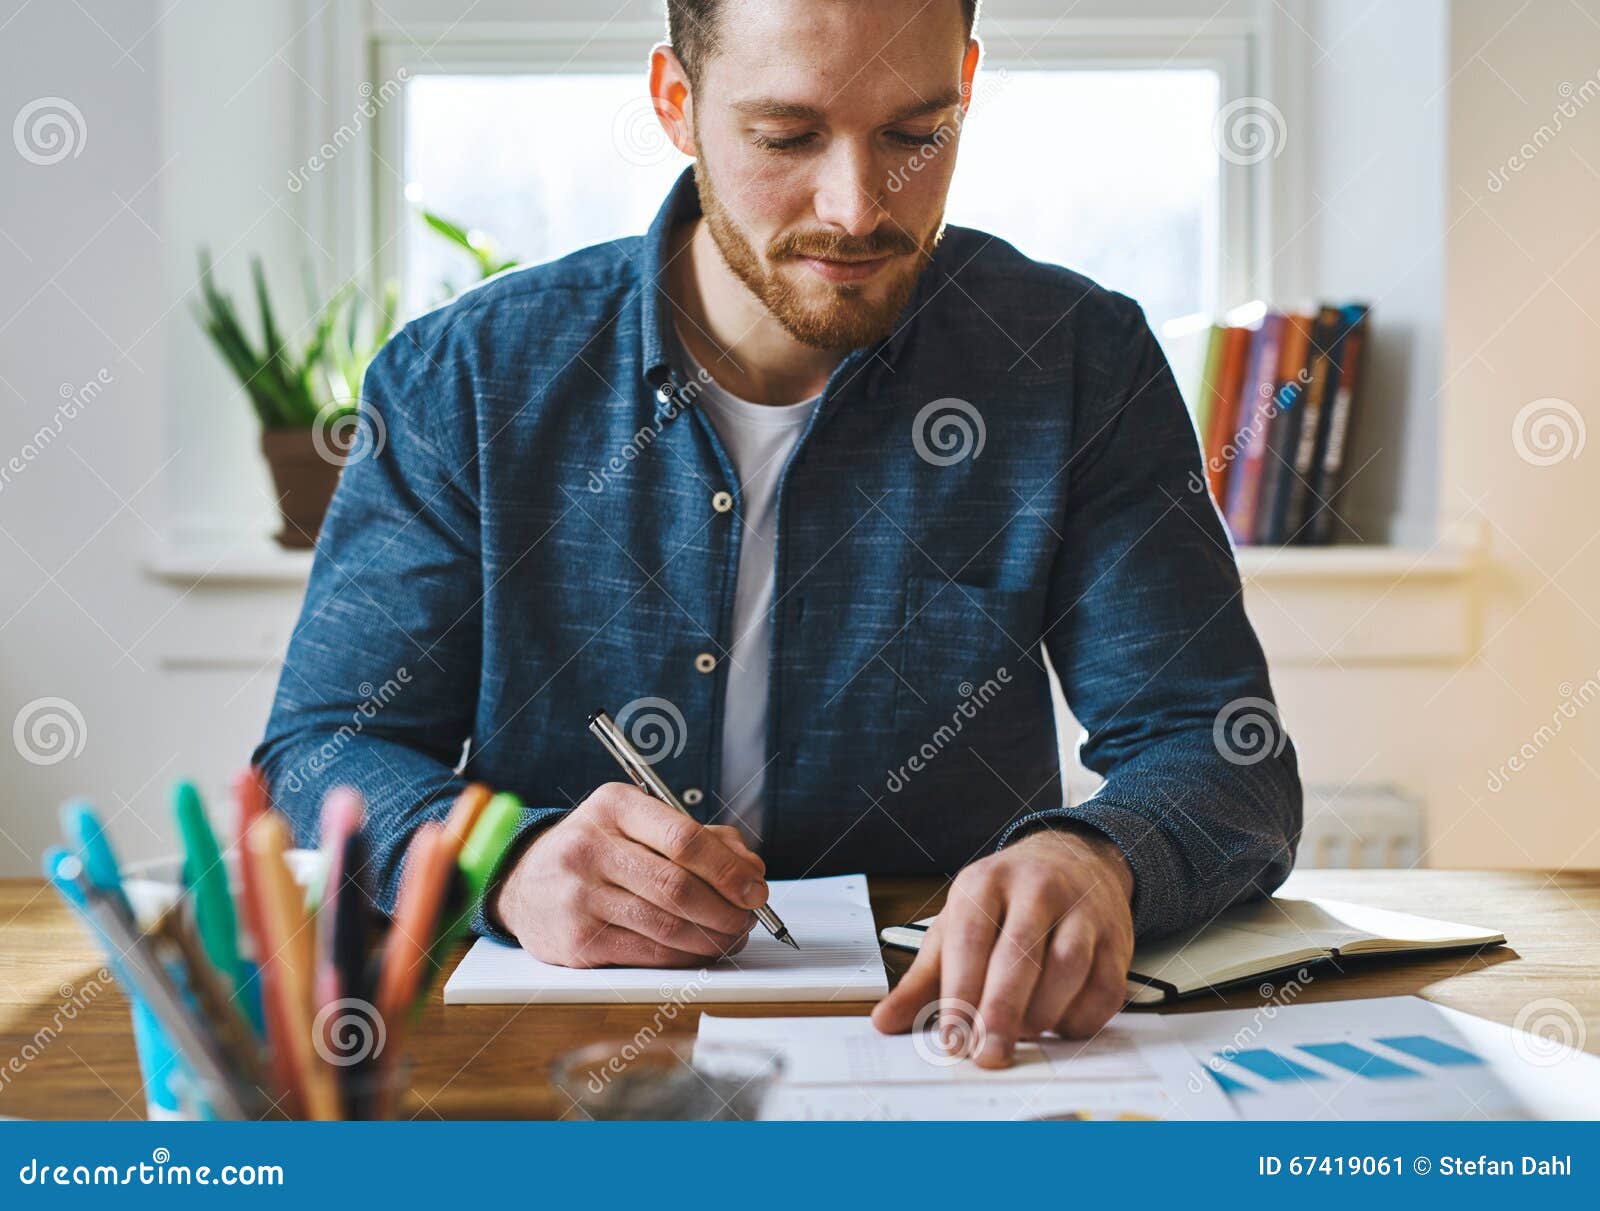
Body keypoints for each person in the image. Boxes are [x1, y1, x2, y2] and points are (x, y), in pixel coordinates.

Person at [253, 0, 1301, 1069]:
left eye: (914, 135)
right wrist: (507, 866)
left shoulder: (1078, 362)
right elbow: (328, 743)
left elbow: (1222, 749)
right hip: (556, 1051)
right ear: (677, 102)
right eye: (787, 137)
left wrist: (1096, 858)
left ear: (966, 89)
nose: (855, 209)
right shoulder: (465, 378)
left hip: (954, 1050)